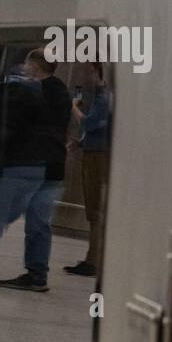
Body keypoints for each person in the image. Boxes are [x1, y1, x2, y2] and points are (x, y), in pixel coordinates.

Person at [0, 48, 71, 292]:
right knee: (39, 223)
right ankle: (37, 275)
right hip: (54, 167)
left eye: (27, 64)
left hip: (26, 165)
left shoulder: (30, 92)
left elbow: (13, 124)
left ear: (35, 66)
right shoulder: (61, 92)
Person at [63, 61, 112, 278]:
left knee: (95, 211)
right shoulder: (101, 95)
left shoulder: (104, 97)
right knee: (93, 211)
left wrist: (74, 108)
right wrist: (81, 142)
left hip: (98, 157)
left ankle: (93, 260)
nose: (82, 76)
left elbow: (91, 123)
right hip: (93, 152)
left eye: (85, 70)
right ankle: (92, 257)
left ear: (94, 70)